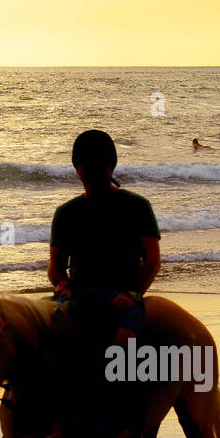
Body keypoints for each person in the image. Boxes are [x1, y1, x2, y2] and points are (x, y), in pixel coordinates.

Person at [48, 129, 161, 353]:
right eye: (86, 166)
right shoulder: (66, 213)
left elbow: (153, 260)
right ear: (78, 169)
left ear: (111, 166)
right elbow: (55, 266)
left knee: (123, 343)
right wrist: (62, 285)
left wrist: (133, 293)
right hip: (79, 295)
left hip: (125, 295)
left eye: (99, 165)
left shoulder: (137, 206)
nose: (92, 172)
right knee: (42, 337)